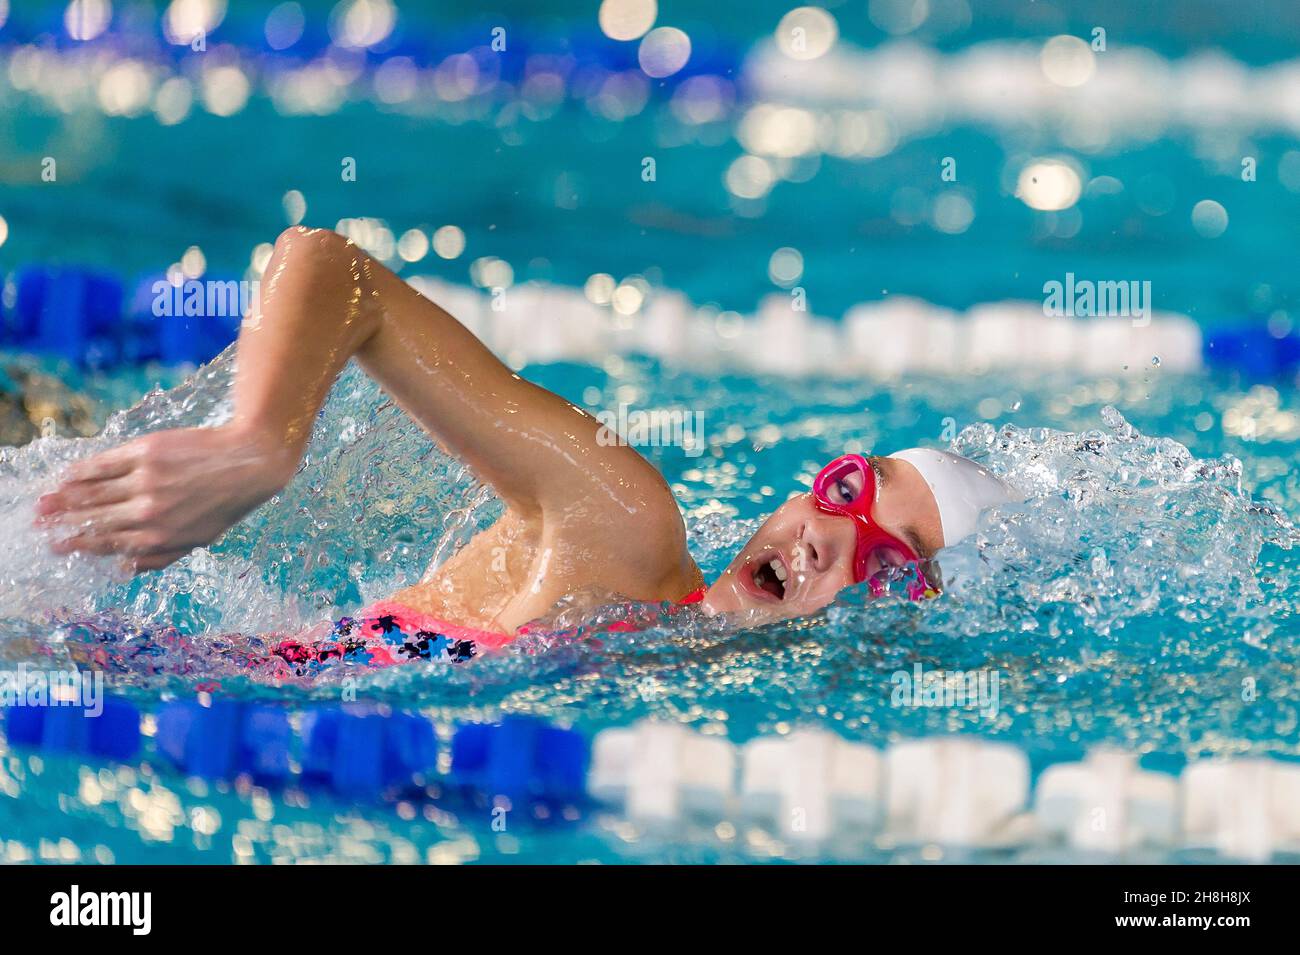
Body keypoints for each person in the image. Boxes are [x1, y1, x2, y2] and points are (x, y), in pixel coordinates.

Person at [34, 227, 1019, 669]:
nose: (824, 544)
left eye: (886, 564)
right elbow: (336, 272)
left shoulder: (656, 681)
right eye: (849, 491)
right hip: (69, 636)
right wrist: (257, 445)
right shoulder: (629, 526)